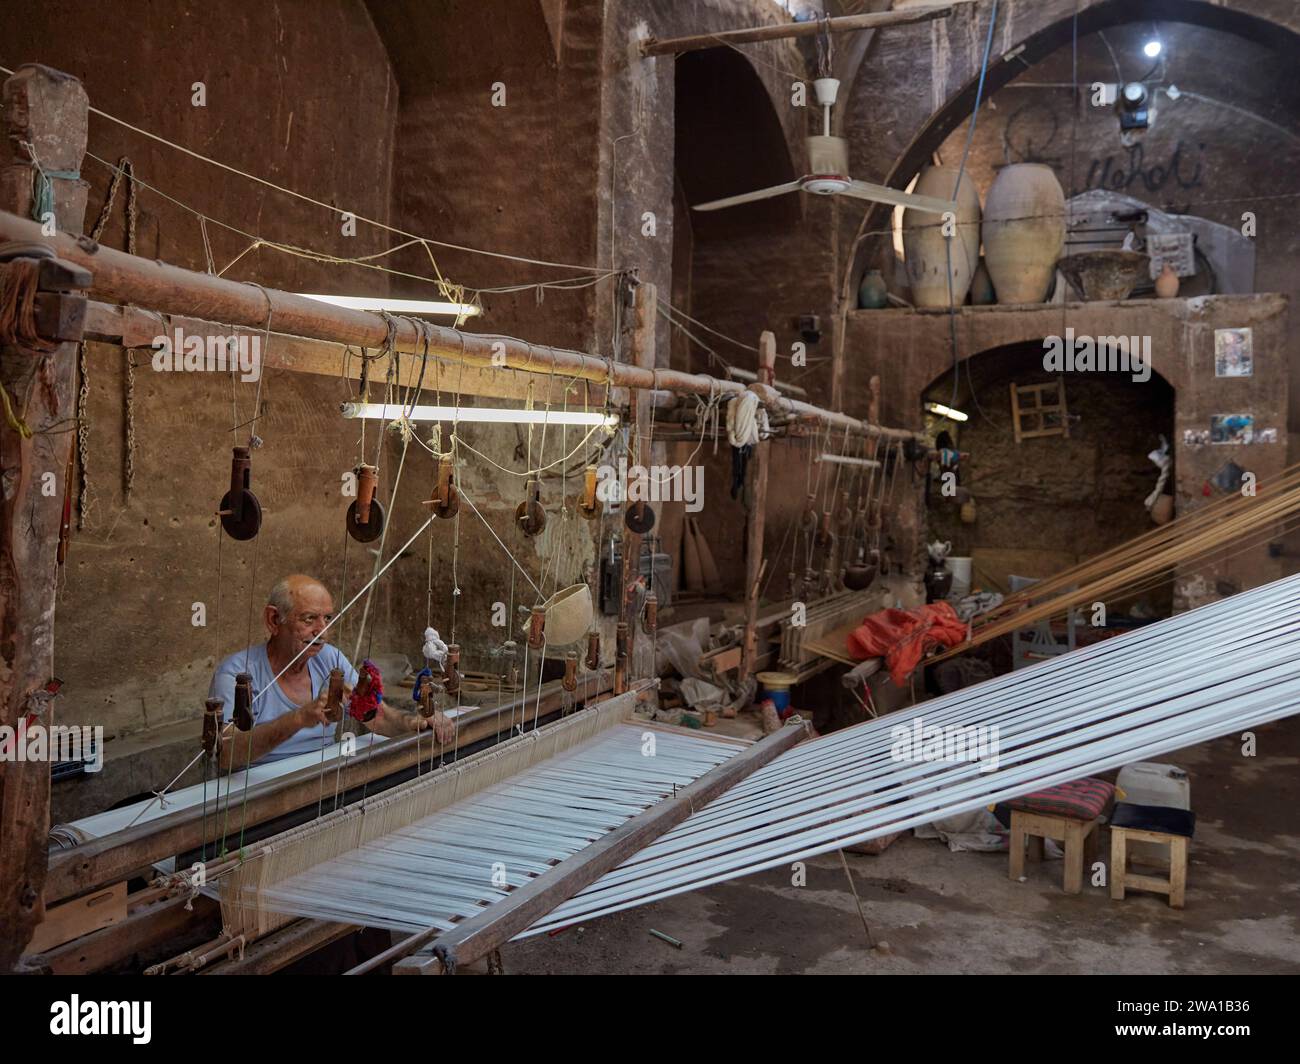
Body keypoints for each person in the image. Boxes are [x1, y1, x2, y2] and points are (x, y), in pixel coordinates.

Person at [209, 574, 455, 768]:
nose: (322, 631)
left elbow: (373, 716)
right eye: (309, 619)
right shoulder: (237, 674)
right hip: (259, 792)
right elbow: (227, 754)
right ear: (274, 620)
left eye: (327, 619)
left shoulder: (329, 658)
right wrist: (299, 718)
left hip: (321, 779)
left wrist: (414, 723)